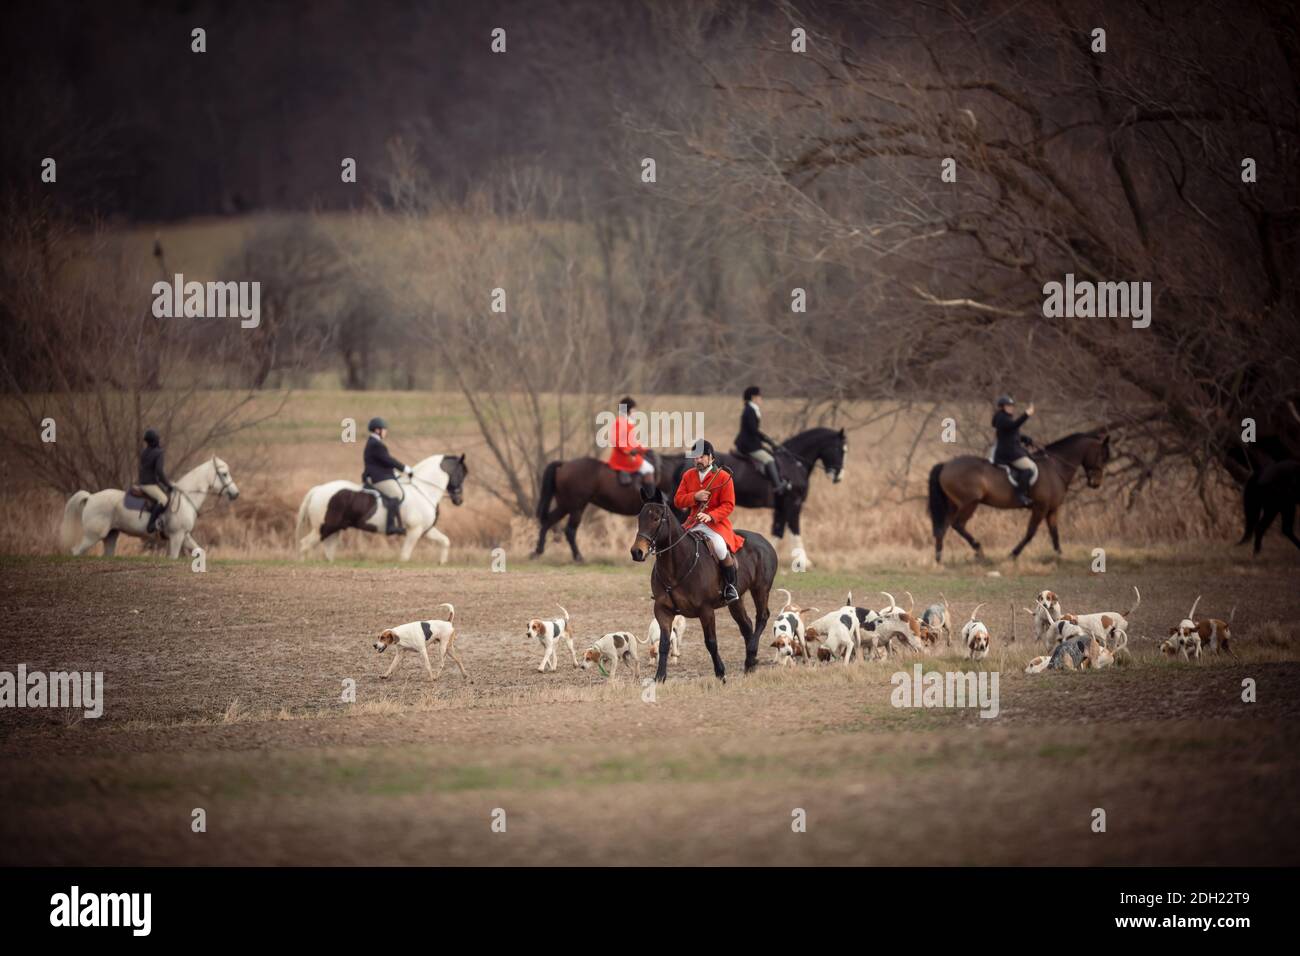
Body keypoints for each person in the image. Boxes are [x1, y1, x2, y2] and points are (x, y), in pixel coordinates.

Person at [674, 439, 742, 603]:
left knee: (719, 547)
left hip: (716, 526)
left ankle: (730, 587)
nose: (698, 460)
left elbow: (728, 505)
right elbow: (677, 500)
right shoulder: (688, 475)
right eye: (695, 458)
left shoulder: (724, 477)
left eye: (702, 457)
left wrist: (711, 516)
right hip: (692, 523)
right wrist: (694, 497)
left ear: (711, 458)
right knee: (676, 546)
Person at [734, 385, 791, 493]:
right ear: (753, 397)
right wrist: (768, 441)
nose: (761, 399)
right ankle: (777, 486)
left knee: (771, 454)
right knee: (769, 459)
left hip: (751, 442)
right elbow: (753, 431)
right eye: (759, 396)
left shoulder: (751, 409)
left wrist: (768, 441)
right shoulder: (749, 410)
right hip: (748, 445)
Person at [363, 417, 411, 535]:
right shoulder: (376, 444)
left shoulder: (374, 443)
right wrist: (404, 468)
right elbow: (388, 460)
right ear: (378, 430)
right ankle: (390, 526)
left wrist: (394, 474)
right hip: (378, 478)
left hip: (380, 475)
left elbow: (382, 462)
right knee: (397, 494)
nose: (386, 432)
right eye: (384, 430)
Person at [991, 395, 1038, 506]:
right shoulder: (1002, 418)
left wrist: (1025, 438)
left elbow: (1011, 433)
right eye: (1008, 406)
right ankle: (1020, 495)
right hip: (1008, 453)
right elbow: (1014, 425)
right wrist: (1027, 414)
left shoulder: (1005, 417)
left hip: (1012, 450)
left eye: (1012, 406)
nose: (1011, 408)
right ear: (1002, 407)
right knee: (1029, 468)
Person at [608, 397, 658, 498]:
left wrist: (644, 449)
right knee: (649, 468)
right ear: (629, 410)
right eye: (635, 410)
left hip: (628, 455)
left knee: (649, 461)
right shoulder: (621, 422)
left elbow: (632, 442)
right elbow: (617, 441)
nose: (636, 412)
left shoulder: (627, 422)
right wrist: (630, 450)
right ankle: (651, 499)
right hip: (622, 458)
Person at [138, 429, 172, 534]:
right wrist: (168, 485)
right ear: (155, 440)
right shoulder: (159, 453)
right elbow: (159, 471)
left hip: (143, 483)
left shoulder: (144, 452)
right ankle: (151, 525)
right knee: (164, 499)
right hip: (149, 484)